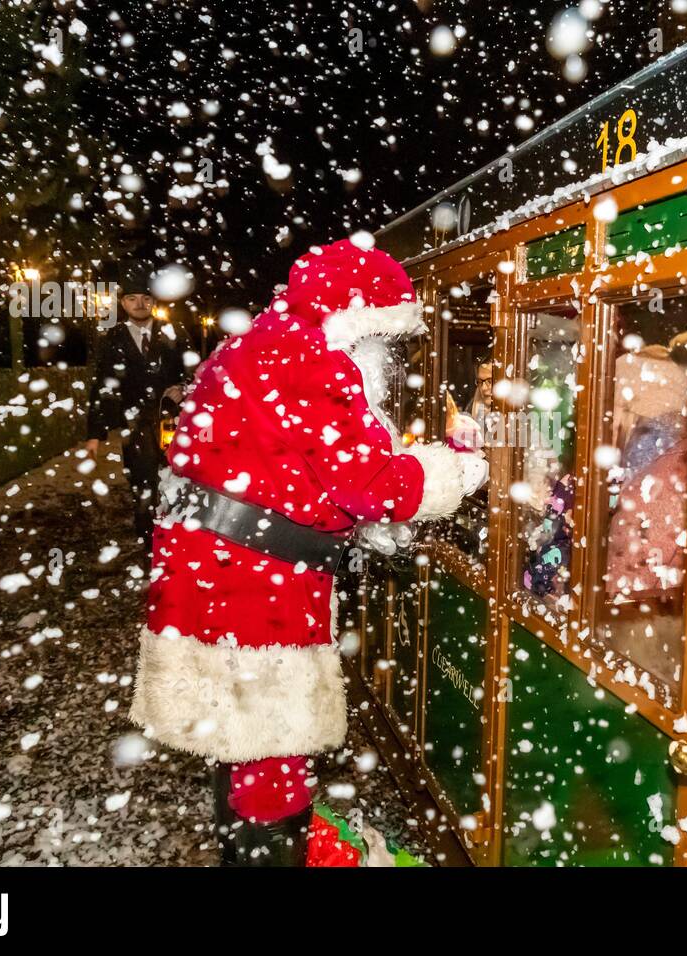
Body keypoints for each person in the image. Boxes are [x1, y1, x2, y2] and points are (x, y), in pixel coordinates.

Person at [130, 238, 487, 866]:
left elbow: (295, 468)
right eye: (382, 337)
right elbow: (367, 483)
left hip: (211, 570)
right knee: (271, 748)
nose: (382, 356)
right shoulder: (314, 359)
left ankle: (249, 849)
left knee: (239, 739)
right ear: (357, 318)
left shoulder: (259, 344)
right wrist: (454, 471)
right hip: (252, 584)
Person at [85, 260, 189, 539]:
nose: (139, 304)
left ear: (153, 301)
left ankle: (177, 537)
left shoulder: (173, 333)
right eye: (132, 298)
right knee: (142, 484)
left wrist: (183, 386)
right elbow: (102, 386)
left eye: (145, 298)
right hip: (134, 425)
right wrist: (95, 434)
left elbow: (197, 371)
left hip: (174, 422)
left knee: (177, 481)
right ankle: (149, 541)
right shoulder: (112, 339)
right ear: (123, 302)